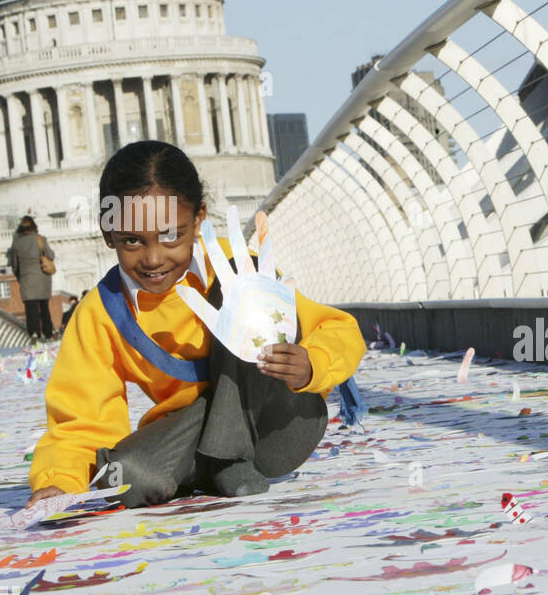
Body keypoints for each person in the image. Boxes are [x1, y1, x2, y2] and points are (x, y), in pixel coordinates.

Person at [25, 140, 366, 509]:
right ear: (108, 234)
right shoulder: (100, 312)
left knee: (240, 292)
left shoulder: (238, 265)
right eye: (132, 241)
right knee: (124, 477)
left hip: (278, 425)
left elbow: (338, 328)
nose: (153, 258)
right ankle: (216, 466)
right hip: (188, 432)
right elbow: (81, 417)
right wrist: (59, 481)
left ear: (199, 219)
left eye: (171, 235)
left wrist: (310, 364)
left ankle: (227, 460)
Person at [6, 215, 56, 341]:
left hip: (26, 279)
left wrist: (20, 276)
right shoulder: (41, 239)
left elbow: (14, 264)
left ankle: (34, 333)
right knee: (44, 307)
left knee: (30, 309)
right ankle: (48, 333)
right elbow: (50, 255)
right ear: (34, 226)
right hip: (42, 277)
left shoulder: (17, 244)